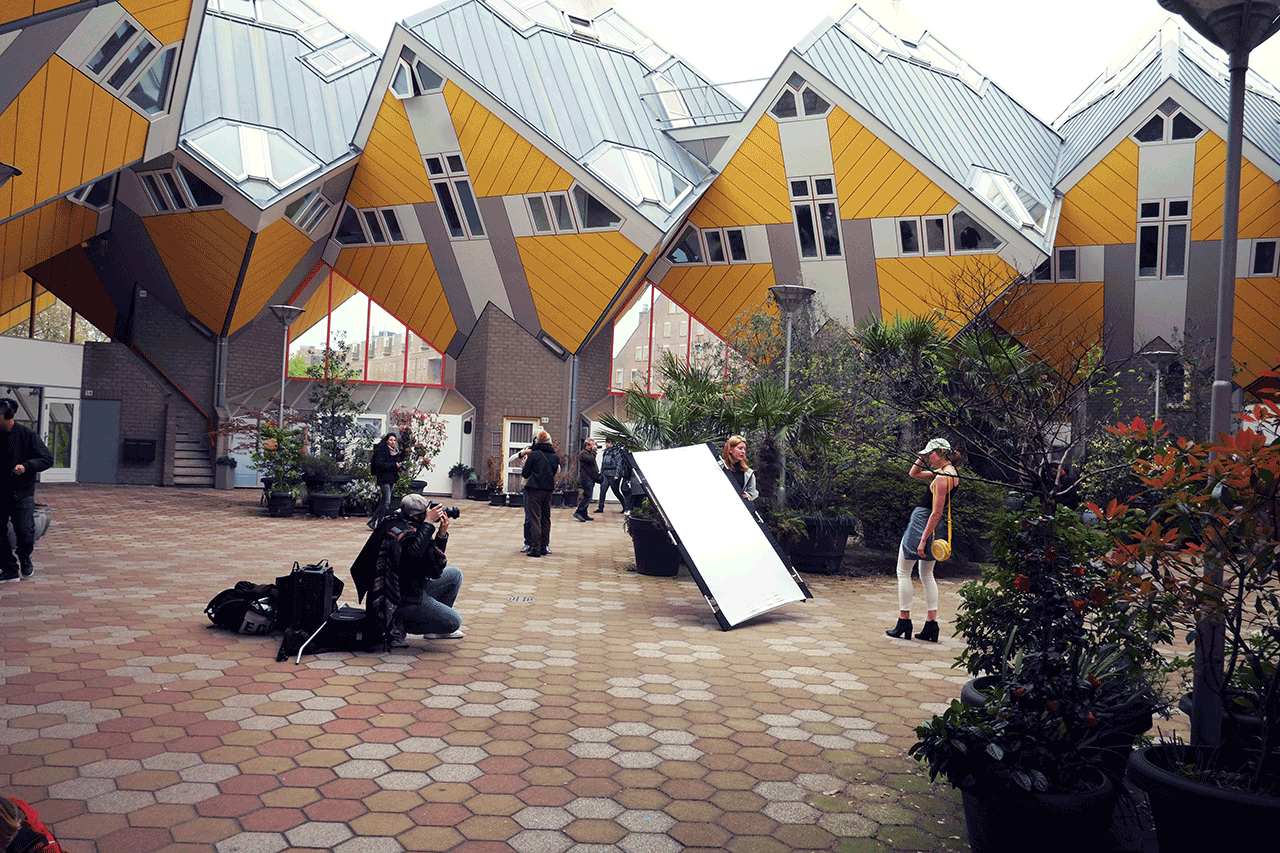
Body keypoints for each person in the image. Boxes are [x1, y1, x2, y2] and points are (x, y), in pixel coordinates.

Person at [886, 438, 959, 643]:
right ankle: (931, 625)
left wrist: (922, 539)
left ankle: (904, 621)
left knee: (903, 571)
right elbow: (914, 474)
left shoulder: (943, 477)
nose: (927, 458)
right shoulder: (949, 472)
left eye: (930, 454)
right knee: (927, 574)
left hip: (923, 523)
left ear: (942, 452)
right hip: (932, 524)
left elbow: (936, 512)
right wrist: (922, 456)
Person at [363, 493, 464, 642]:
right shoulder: (407, 534)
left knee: (455, 574)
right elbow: (429, 567)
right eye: (426, 512)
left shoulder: (396, 522)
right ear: (418, 516)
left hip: (413, 586)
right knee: (455, 622)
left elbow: (432, 560)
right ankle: (400, 624)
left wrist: (442, 533)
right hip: (401, 598)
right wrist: (428, 523)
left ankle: (434, 629)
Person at [1, 398, 53, 583]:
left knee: (25, 532)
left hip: (21, 492)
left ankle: (24, 557)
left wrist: (26, 466)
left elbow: (47, 459)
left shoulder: (27, 435)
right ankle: (9, 568)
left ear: (7, 416)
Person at [521, 430, 559, 557]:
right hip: (548, 489)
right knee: (546, 518)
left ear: (537, 441)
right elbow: (554, 473)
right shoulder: (555, 457)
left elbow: (525, 473)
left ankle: (535, 548)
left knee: (535, 518)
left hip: (534, 489)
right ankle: (544, 546)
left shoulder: (534, 455)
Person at [368, 433, 404, 527]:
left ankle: (379, 522)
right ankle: (373, 521)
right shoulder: (381, 449)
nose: (393, 442)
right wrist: (394, 465)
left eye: (394, 440)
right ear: (387, 440)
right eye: (391, 440)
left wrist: (399, 466)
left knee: (385, 501)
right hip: (383, 478)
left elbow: (396, 462)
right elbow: (380, 464)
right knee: (386, 501)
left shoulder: (396, 451)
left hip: (391, 478)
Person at [718, 435, 758, 502]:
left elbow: (753, 493)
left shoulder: (748, 472)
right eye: (740, 448)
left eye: (744, 449)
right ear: (730, 450)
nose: (743, 451)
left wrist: (748, 496)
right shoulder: (719, 466)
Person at [596, 439, 627, 513]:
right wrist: (601, 473)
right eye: (606, 443)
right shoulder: (606, 452)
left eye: (609, 443)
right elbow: (603, 464)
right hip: (605, 474)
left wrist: (617, 475)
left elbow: (619, 464)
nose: (607, 444)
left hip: (613, 475)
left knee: (616, 491)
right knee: (602, 490)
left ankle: (625, 507)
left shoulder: (616, 452)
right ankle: (600, 508)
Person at [573, 438, 599, 522]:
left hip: (590, 478)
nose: (593, 446)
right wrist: (594, 451)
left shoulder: (588, 453)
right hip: (586, 478)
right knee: (588, 496)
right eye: (592, 445)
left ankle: (584, 514)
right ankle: (578, 512)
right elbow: (591, 460)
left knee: (587, 495)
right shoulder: (583, 453)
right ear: (587, 445)